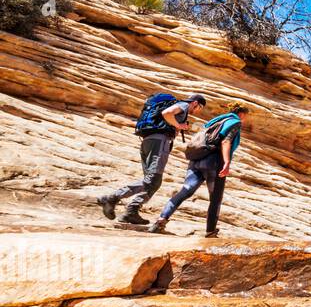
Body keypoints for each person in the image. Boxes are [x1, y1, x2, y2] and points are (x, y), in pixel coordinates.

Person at [97, 93, 207, 225]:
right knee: (153, 179)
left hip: (148, 141)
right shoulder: (183, 105)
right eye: (199, 107)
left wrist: (176, 126)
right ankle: (112, 198)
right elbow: (167, 113)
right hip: (159, 142)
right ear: (195, 103)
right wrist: (178, 125)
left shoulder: (177, 107)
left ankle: (131, 211)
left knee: (153, 181)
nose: (198, 111)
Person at [149, 104, 246, 237]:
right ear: (241, 114)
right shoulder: (235, 122)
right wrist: (227, 162)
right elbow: (226, 141)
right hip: (214, 161)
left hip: (197, 159)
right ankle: (210, 231)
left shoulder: (215, 121)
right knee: (215, 198)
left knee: (186, 190)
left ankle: (160, 221)